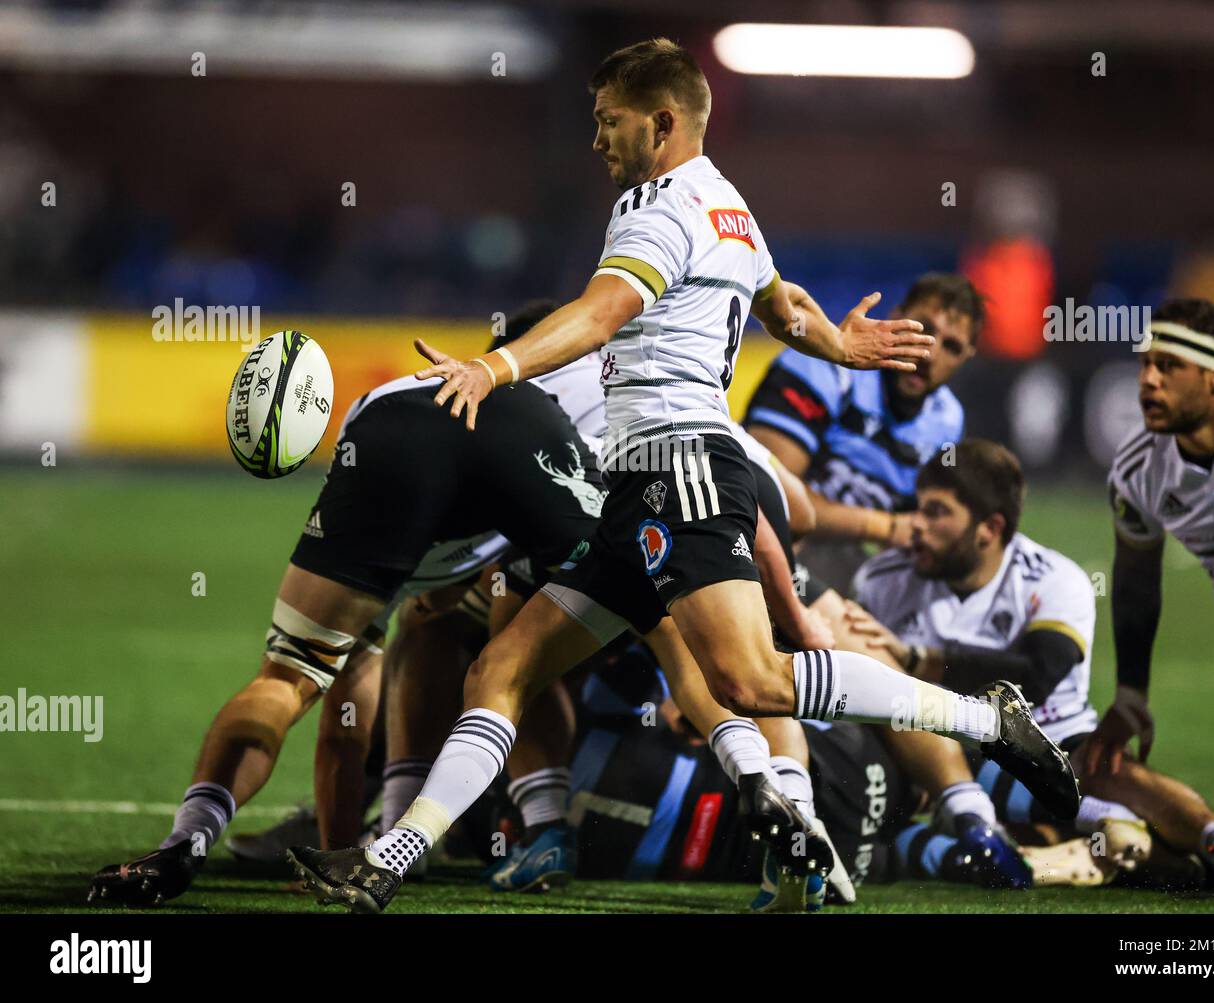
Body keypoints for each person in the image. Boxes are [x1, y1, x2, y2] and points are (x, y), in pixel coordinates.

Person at [287, 38, 1078, 914]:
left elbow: (599, 313)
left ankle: (987, 719)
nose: (597, 140)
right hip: (634, 490)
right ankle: (386, 862)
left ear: (661, 124)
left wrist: (492, 369)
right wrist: (840, 343)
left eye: (608, 122)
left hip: (682, 470)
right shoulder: (729, 203)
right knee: (501, 670)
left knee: (752, 680)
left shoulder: (659, 209)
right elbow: (782, 302)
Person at [87, 308, 607, 906]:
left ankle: (185, 842)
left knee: (286, 679)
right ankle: (713, 765)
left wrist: (335, 851)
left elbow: (344, 730)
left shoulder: (389, 426)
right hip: (525, 454)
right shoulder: (583, 386)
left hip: (389, 427)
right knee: (612, 630)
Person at [852, 437, 1214, 898]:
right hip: (940, 752)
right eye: (917, 508)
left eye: (936, 512)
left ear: (988, 528)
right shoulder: (882, 579)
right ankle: (1165, 860)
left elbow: (1038, 675)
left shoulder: (1053, 577)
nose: (914, 526)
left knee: (1109, 771)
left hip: (1052, 741)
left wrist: (915, 659)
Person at [1084, 297, 1214, 896]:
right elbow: (1132, 585)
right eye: (1144, 365)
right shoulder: (1138, 473)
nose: (1148, 381)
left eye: (1168, 366)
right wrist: (1130, 694)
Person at [744, 272, 981, 593]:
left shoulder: (949, 422)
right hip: (756, 545)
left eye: (951, 346)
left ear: (966, 358)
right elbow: (766, 497)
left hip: (841, 560)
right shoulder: (821, 367)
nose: (929, 354)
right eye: (922, 330)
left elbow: (923, 528)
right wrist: (884, 527)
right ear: (896, 316)